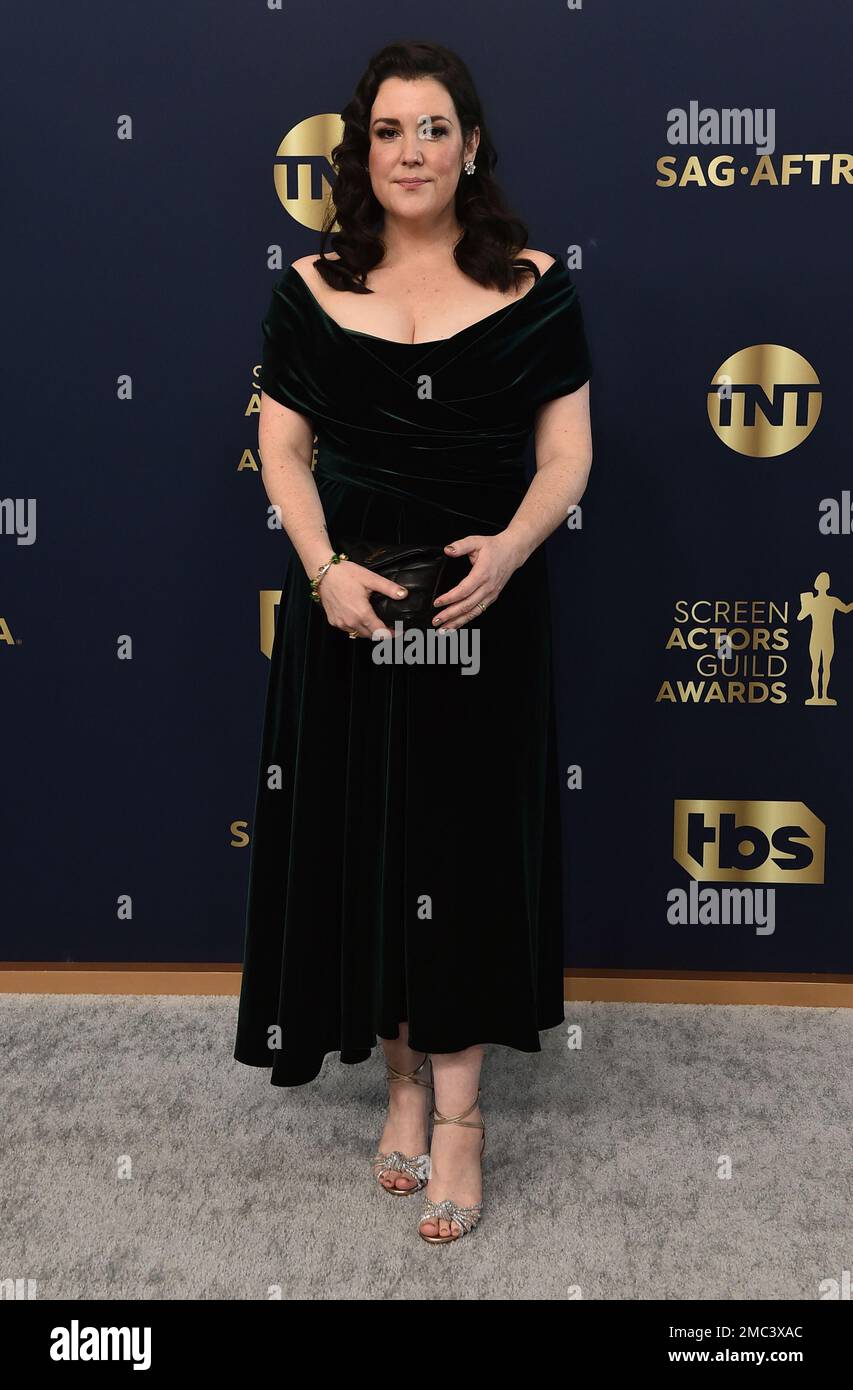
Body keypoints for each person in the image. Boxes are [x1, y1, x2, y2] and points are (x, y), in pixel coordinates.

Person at [234, 38, 593, 1244]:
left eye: (433, 128)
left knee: (465, 850)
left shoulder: (536, 285)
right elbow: (283, 450)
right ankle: (396, 1084)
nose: (411, 152)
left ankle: (461, 1122)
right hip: (353, 620)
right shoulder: (310, 287)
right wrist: (326, 572)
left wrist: (510, 549)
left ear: (471, 145)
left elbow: (567, 457)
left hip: (482, 618)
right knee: (375, 845)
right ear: (361, 152)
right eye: (388, 132)